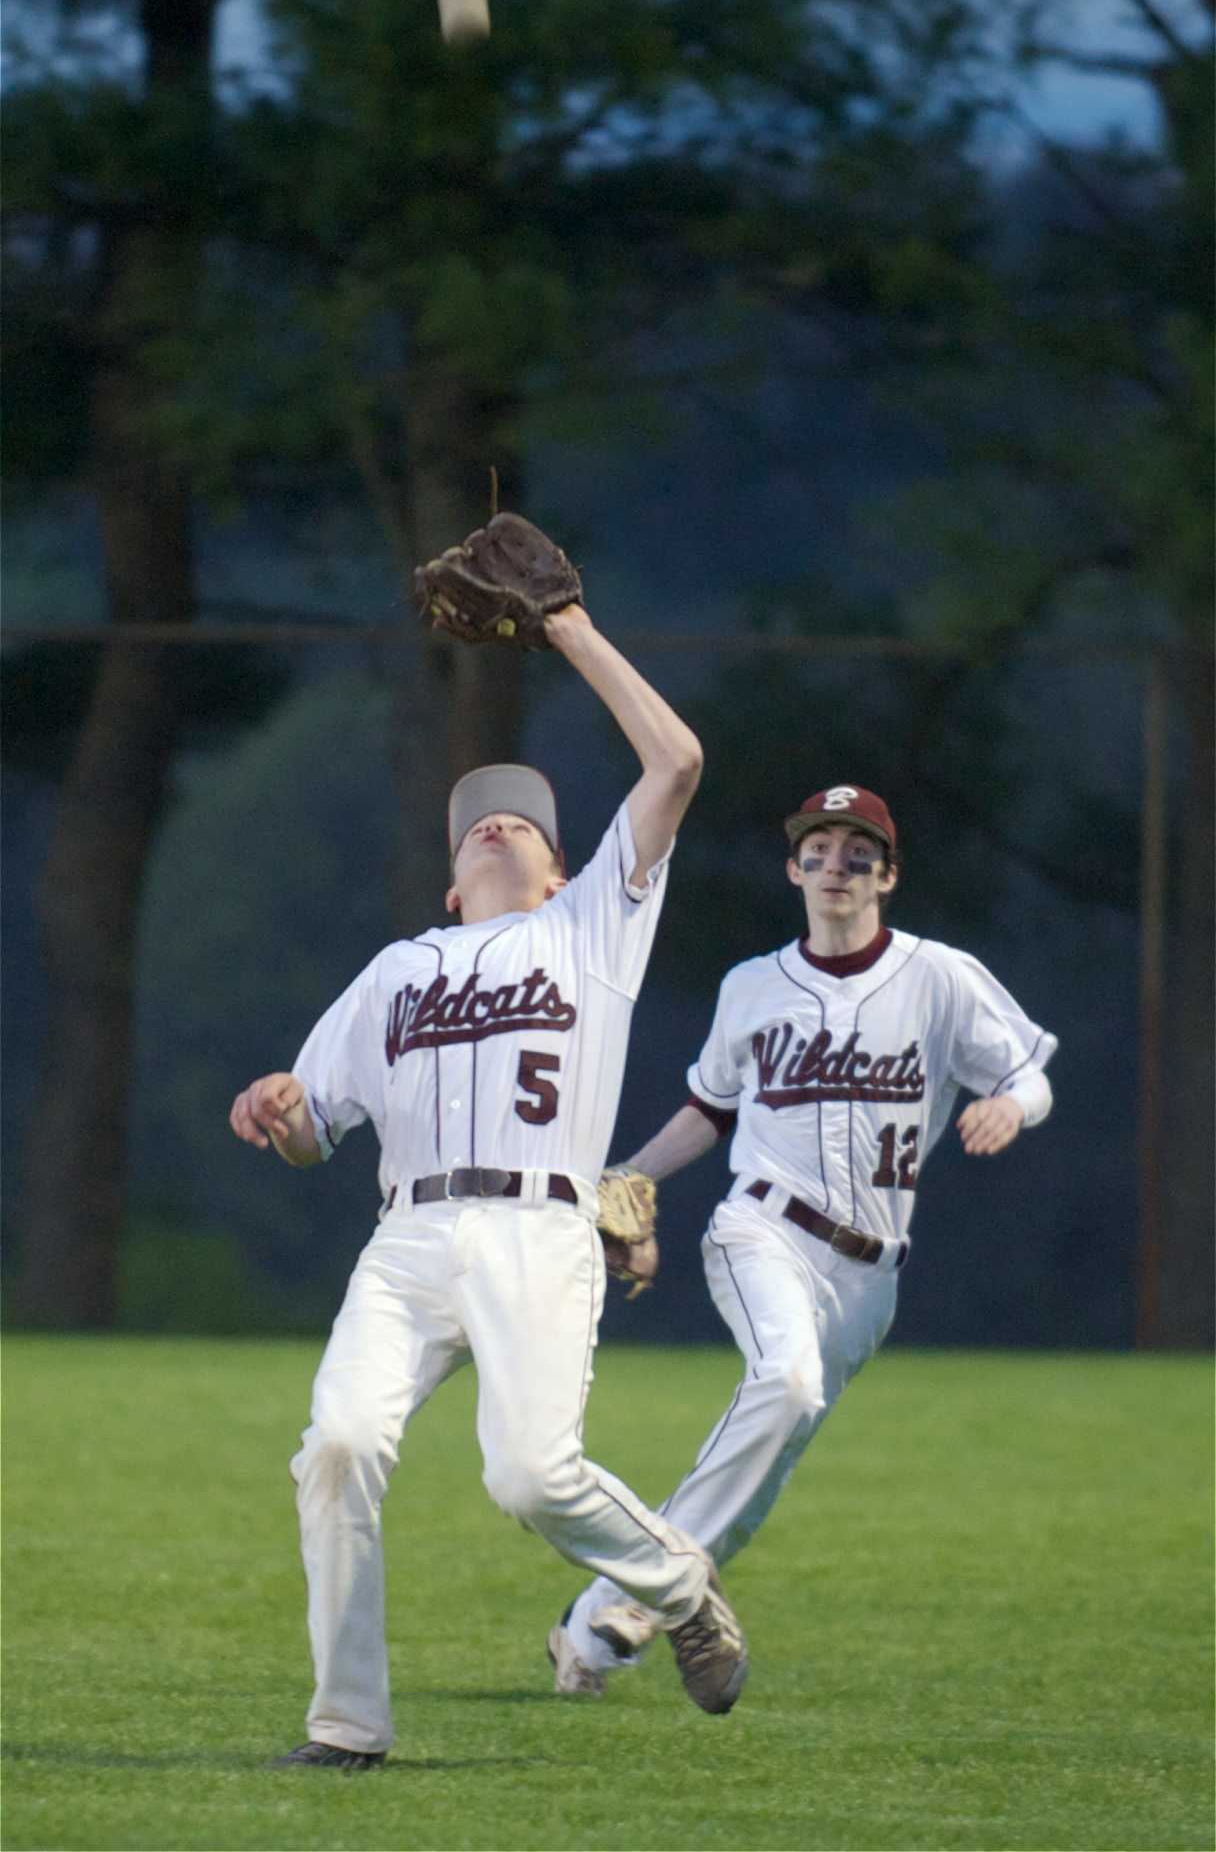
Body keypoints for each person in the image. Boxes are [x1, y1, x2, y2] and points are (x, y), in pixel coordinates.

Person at [229, 600, 749, 1769]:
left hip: (537, 1227)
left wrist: (564, 624)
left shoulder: (590, 928)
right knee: (339, 1444)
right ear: (450, 887)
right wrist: (282, 1111)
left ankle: (678, 1585)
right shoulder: (398, 968)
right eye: (475, 825)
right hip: (408, 1234)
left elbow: (677, 759)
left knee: (527, 1473)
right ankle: (347, 1724)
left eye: (522, 820)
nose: (497, 824)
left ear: (566, 868)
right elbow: (317, 1127)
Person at [548, 781, 1057, 1696]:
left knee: (770, 1455)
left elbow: (1029, 1073)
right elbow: (712, 1105)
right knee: (783, 1381)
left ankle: (595, 1621)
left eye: (857, 852)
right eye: (817, 850)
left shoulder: (940, 978)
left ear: (887, 876)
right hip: (762, 1229)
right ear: (794, 869)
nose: (835, 866)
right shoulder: (752, 985)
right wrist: (629, 1175)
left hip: (873, 1279)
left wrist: (1011, 1106)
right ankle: (634, 1608)